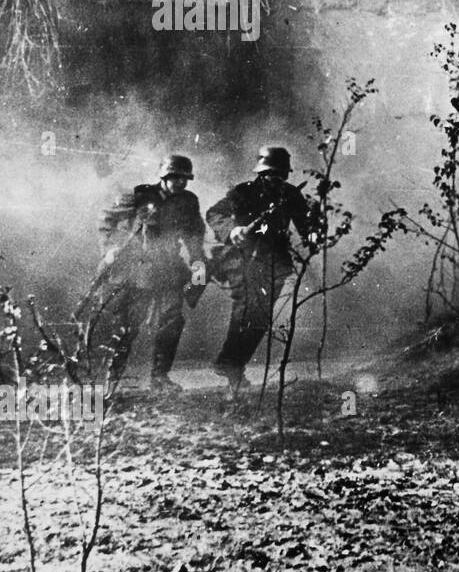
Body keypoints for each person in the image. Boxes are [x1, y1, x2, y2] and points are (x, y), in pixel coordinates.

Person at [93, 154, 206, 392]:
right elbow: (106, 219)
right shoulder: (140, 195)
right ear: (164, 176)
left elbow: (194, 232)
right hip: (139, 270)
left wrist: (197, 260)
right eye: (175, 177)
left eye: (184, 178)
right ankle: (112, 379)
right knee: (128, 325)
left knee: (172, 322)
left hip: (169, 269)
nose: (180, 183)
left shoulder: (188, 201)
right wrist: (109, 248)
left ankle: (160, 377)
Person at [206, 146, 312, 396]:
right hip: (241, 258)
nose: (275, 179)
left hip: (274, 261)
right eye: (270, 174)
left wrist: (315, 231)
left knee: (261, 318)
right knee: (246, 308)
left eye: (281, 175)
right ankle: (228, 362)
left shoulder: (291, 196)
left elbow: (306, 227)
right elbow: (215, 213)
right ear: (261, 174)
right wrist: (232, 230)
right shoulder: (243, 192)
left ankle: (234, 367)